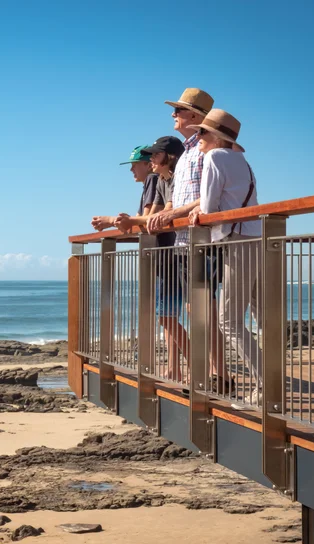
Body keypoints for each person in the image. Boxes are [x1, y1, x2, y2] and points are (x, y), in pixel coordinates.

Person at [147, 88, 232, 394]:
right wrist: (166, 214)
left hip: (203, 241)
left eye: (179, 110)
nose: (174, 115)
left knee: (202, 309)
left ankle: (218, 376)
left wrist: (173, 213)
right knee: (196, 308)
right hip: (186, 243)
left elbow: (207, 197)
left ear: (195, 116)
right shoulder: (187, 152)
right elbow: (180, 198)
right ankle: (211, 374)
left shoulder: (205, 151)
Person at [187, 109, 263, 404]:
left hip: (237, 239)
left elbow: (208, 207)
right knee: (261, 315)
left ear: (217, 137)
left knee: (228, 320)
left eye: (202, 132)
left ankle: (265, 386)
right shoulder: (243, 161)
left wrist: (199, 211)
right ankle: (268, 385)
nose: (198, 137)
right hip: (258, 238)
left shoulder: (215, 157)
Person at [115, 137, 188, 381]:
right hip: (167, 254)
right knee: (167, 317)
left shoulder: (154, 180)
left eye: (135, 164)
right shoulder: (162, 181)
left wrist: (114, 221)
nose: (131, 170)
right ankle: (175, 368)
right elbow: (150, 217)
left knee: (167, 317)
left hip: (168, 254)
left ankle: (197, 367)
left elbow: (149, 218)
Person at [91, 146, 162, 233]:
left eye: (134, 165)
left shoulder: (152, 178)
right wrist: (122, 220)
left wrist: (111, 220)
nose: (131, 169)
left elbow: (144, 220)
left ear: (149, 165)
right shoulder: (149, 183)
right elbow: (138, 220)